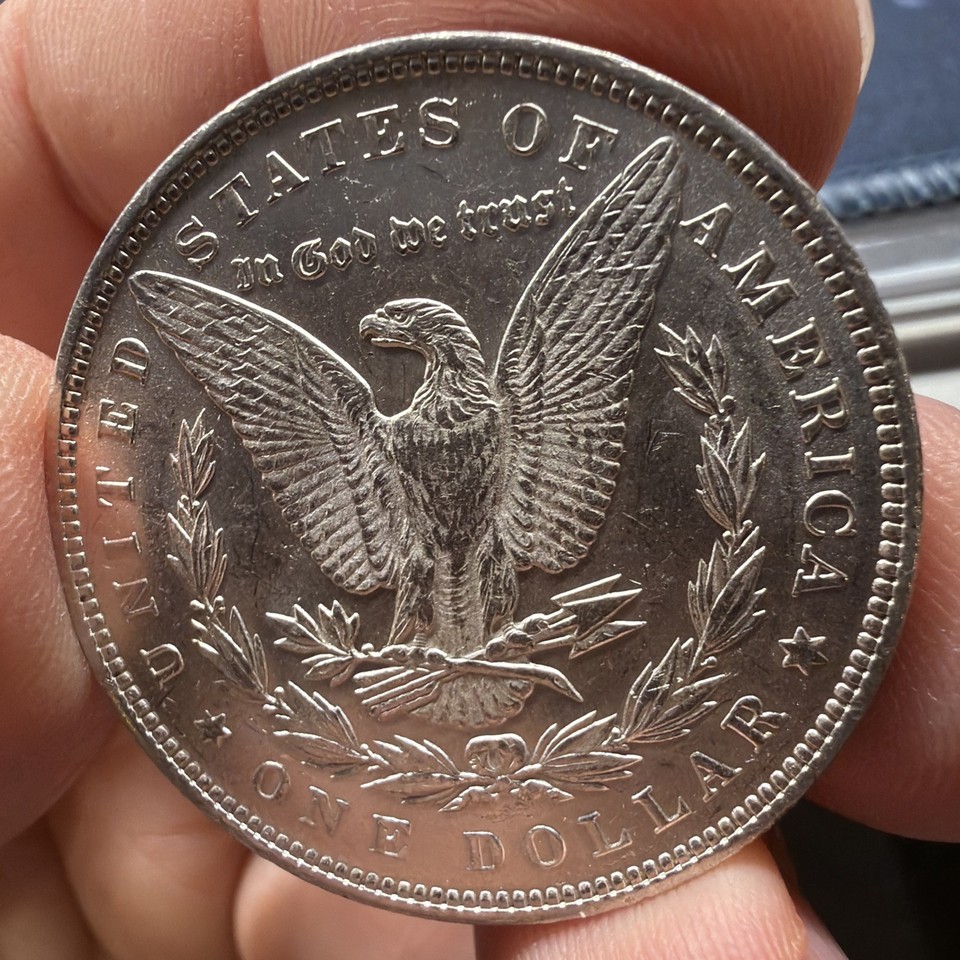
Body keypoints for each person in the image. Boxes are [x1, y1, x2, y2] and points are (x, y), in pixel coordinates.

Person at [0, 1, 956, 958]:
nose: (392, 343)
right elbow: (267, 377)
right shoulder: (364, 422)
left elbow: (592, 299)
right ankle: (444, 648)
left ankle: (481, 643)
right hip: (415, 588)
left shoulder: (523, 391)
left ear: (441, 347)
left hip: (504, 569)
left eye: (410, 335)